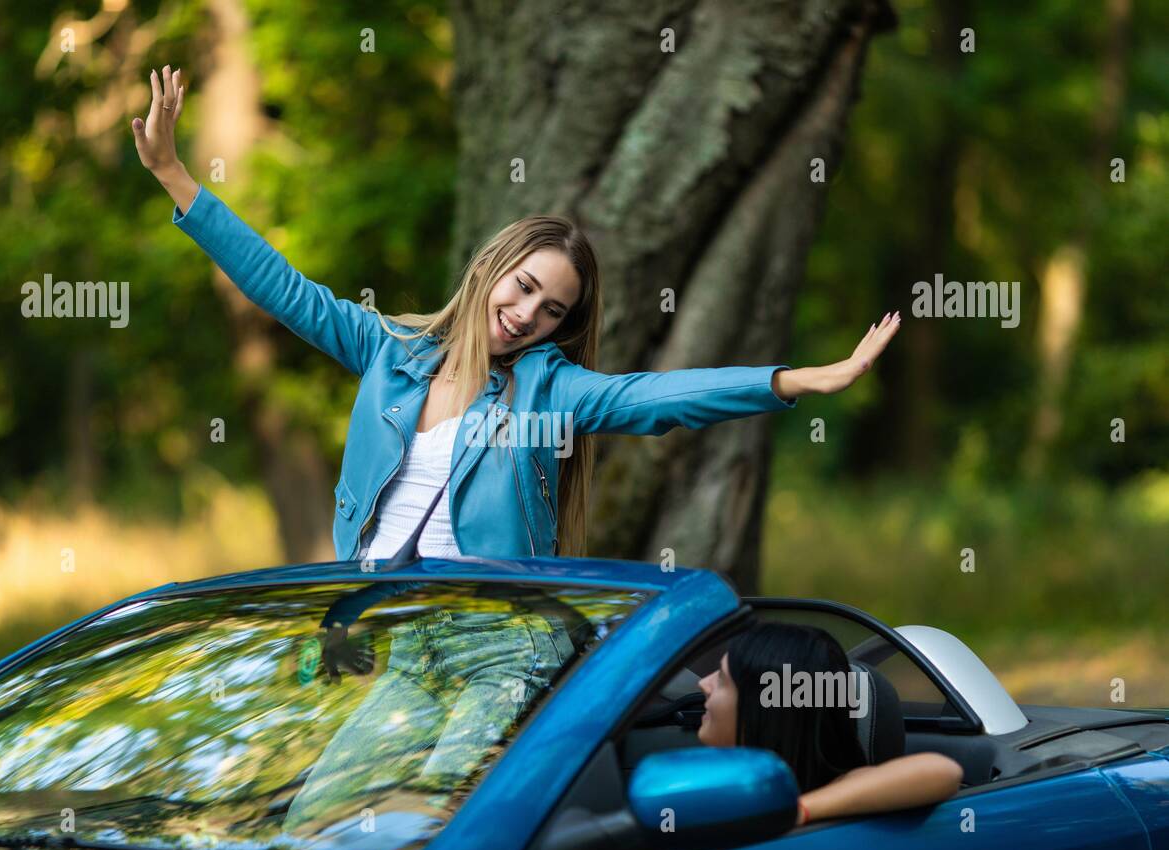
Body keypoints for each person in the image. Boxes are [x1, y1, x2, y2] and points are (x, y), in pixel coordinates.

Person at [130, 65, 902, 564]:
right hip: (371, 632)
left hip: (490, 646)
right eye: (524, 286)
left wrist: (792, 379)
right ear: (491, 269)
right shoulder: (389, 351)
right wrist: (175, 177)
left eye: (553, 308)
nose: (528, 313)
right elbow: (283, 287)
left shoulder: (547, 391)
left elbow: (656, 399)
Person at [697, 620, 963, 826]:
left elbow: (942, 771)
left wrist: (797, 812)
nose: (703, 684)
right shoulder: (714, 775)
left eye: (721, 679)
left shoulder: (836, 787)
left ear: (764, 711)